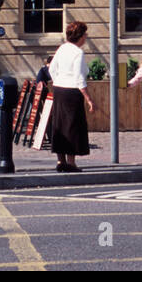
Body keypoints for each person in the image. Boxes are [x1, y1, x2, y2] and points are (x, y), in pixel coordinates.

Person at [49, 20, 95, 172]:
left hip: (59, 90)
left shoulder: (62, 48)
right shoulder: (78, 52)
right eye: (85, 35)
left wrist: (58, 81)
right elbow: (79, 78)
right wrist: (89, 99)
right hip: (72, 92)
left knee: (60, 124)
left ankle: (60, 162)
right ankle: (71, 163)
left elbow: (52, 69)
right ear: (80, 36)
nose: (86, 37)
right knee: (73, 126)